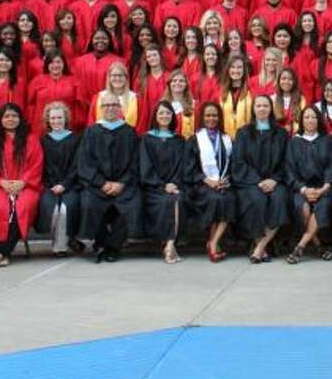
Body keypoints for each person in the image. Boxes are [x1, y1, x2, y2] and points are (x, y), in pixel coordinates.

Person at [77, 93, 142, 263]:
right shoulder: (91, 132)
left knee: (134, 204)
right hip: (98, 185)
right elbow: (85, 163)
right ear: (101, 108)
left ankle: (112, 246)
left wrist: (121, 183)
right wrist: (102, 183)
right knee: (89, 203)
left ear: (120, 108)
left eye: (114, 104)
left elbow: (135, 163)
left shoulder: (129, 132)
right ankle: (101, 243)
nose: (111, 108)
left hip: (124, 185)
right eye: (106, 105)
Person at [0, 103, 44, 268]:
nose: (11, 119)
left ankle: (1, 251)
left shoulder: (31, 138)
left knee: (24, 207)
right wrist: (0, 182)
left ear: (20, 119)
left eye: (14, 116)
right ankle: (5, 252)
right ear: (0, 119)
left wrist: (23, 182)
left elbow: (37, 164)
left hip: (27, 185)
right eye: (6, 116)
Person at [232, 96, 291, 263]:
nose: (262, 109)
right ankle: (262, 245)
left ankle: (259, 247)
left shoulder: (281, 133)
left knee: (279, 198)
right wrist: (257, 181)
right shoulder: (243, 132)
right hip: (250, 182)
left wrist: (274, 179)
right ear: (253, 109)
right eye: (258, 106)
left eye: (266, 106)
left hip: (275, 181)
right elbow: (238, 162)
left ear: (271, 109)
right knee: (255, 199)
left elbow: (287, 162)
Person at [140, 101, 198, 264]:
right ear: (155, 117)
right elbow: (146, 167)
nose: (164, 116)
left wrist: (174, 184)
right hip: (154, 187)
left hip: (177, 186)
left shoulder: (179, 140)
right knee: (169, 202)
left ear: (173, 117)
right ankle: (170, 247)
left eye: (168, 113)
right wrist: (162, 185)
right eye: (161, 113)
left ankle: (169, 245)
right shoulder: (146, 139)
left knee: (177, 200)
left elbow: (183, 167)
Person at [284, 105, 332, 263]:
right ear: (301, 120)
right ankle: (319, 246)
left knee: (322, 206)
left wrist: (325, 187)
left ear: (318, 120)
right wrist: (303, 189)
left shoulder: (327, 140)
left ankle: (300, 247)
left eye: (313, 117)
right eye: (306, 117)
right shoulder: (294, 142)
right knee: (303, 208)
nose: (310, 120)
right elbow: (289, 170)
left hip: (324, 187)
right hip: (301, 188)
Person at [36, 102, 83, 255]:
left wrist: (64, 184)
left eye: (60, 118)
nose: (56, 121)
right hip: (49, 185)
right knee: (54, 210)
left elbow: (77, 166)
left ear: (66, 119)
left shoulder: (75, 139)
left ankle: (60, 247)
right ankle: (66, 240)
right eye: (53, 118)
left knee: (65, 209)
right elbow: (41, 166)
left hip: (71, 185)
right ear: (48, 120)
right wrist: (51, 185)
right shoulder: (42, 141)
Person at [193, 101, 236, 262]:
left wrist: (227, 179)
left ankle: (212, 242)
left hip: (224, 183)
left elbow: (233, 164)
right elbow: (190, 168)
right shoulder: (195, 139)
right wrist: (207, 181)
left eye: (215, 115)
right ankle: (213, 244)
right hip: (202, 185)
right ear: (202, 118)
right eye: (208, 115)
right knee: (216, 198)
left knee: (228, 198)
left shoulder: (227, 139)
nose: (212, 118)